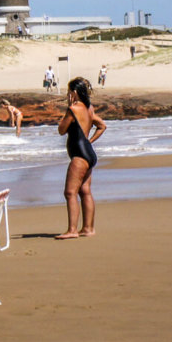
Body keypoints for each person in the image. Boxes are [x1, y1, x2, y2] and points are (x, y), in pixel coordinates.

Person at [56, 78, 106, 240]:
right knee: (85, 191)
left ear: (74, 92)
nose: (67, 94)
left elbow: (61, 130)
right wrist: (89, 141)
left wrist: (68, 108)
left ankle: (72, 230)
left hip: (79, 155)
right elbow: (102, 126)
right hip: (88, 154)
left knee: (70, 192)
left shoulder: (74, 109)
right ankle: (88, 228)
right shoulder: (89, 108)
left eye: (69, 91)